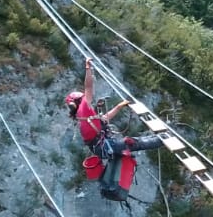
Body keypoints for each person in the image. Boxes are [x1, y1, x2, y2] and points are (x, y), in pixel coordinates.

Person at [65, 57, 164, 200]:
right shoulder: (83, 109)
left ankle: (159, 138)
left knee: (130, 143)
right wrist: (88, 68)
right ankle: (162, 140)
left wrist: (119, 106)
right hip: (104, 146)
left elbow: (105, 118)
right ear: (79, 101)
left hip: (102, 146)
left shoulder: (85, 116)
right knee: (132, 143)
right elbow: (88, 87)